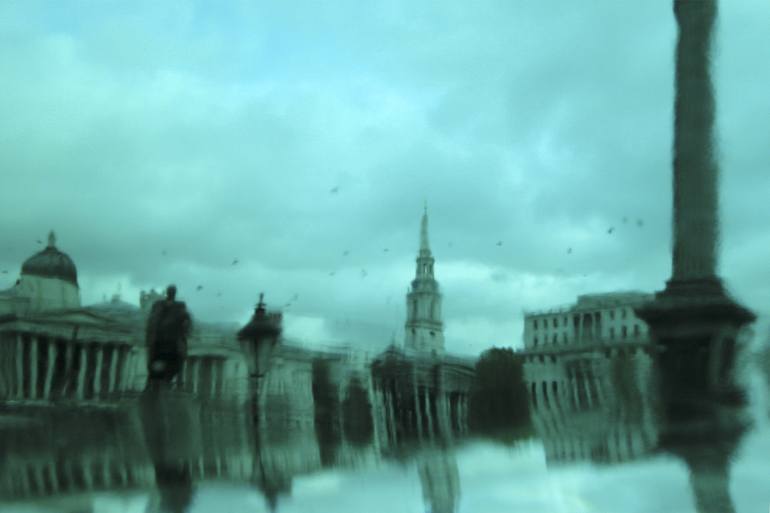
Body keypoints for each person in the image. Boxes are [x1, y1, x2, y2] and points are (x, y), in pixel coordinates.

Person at [146, 285, 192, 385]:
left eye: (173, 291)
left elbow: (187, 319)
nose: (172, 293)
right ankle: (154, 380)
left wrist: (186, 330)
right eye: (171, 291)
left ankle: (171, 379)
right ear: (168, 292)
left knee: (179, 356)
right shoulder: (159, 304)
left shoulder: (179, 305)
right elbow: (152, 320)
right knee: (155, 357)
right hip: (161, 337)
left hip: (171, 337)